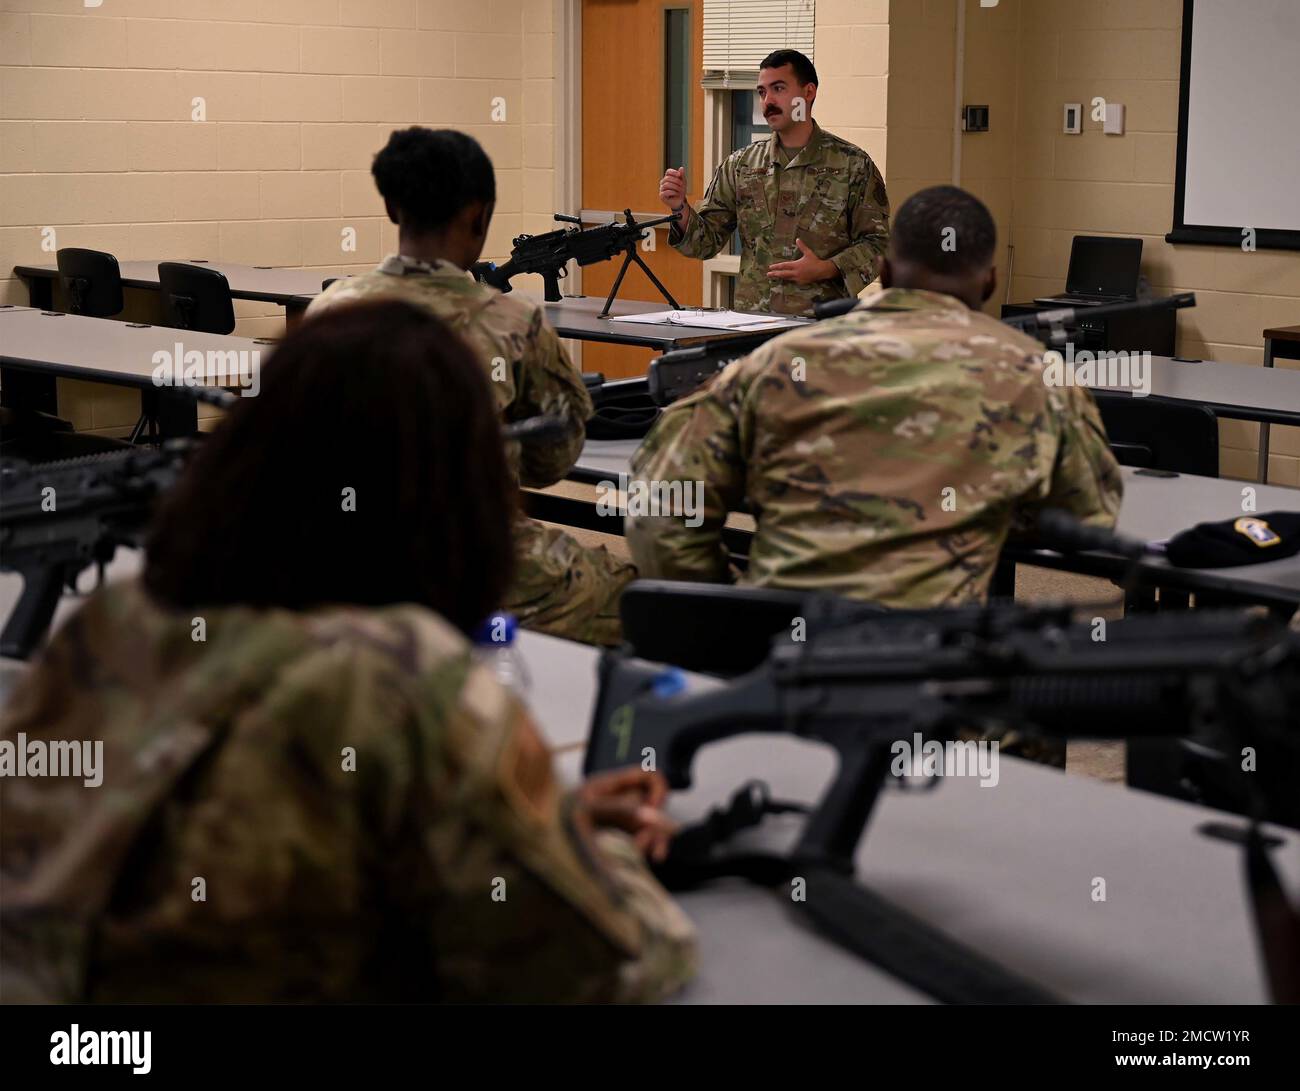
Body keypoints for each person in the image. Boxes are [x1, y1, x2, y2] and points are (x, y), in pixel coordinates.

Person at [0, 302, 695, 1004]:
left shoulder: (110, 625)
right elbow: (616, 961)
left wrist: (546, 822)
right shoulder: (400, 679)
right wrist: (595, 852)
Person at [626, 185, 1123, 608]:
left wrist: (731, 613)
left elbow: (659, 505)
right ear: (990, 281)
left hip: (787, 674)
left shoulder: (777, 362)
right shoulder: (1038, 378)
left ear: (882, 270)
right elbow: (1090, 516)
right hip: (937, 679)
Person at [310, 127, 634, 646]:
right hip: (470, 564)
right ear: (481, 216)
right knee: (643, 600)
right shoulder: (512, 322)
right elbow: (552, 460)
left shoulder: (328, 310)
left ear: (393, 209)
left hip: (342, 554)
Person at [658, 49, 889, 317]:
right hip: (752, 323)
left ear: (808, 93)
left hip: (820, 327)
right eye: (762, 92)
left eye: (778, 88)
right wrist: (680, 209)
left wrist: (828, 268)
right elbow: (704, 244)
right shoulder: (742, 164)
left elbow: (878, 244)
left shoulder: (852, 165)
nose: (768, 101)